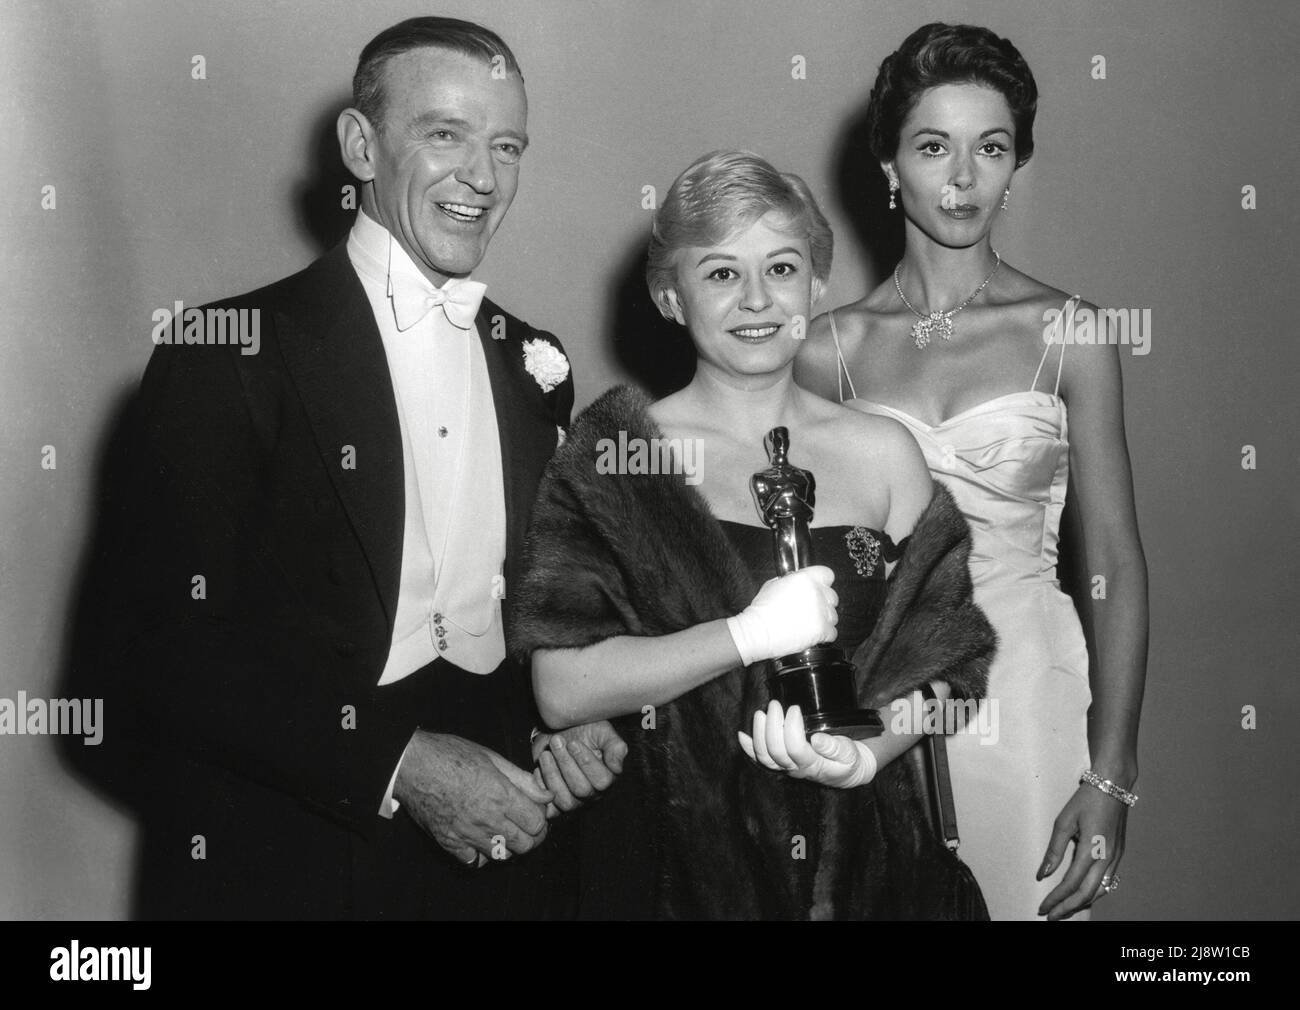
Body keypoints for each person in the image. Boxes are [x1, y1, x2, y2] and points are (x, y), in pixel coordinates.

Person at [74, 16, 624, 920]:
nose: (483, 178)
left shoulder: (535, 362)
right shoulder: (228, 352)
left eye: (507, 146)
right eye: (445, 134)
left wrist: (570, 719)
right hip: (295, 862)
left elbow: (530, 613)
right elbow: (156, 648)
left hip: (507, 864)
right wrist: (398, 764)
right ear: (360, 146)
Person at [510, 150, 997, 920]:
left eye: (779, 267)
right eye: (720, 273)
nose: (756, 299)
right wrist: (743, 636)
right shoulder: (615, 455)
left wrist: (866, 755)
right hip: (677, 872)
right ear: (671, 297)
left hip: (868, 870)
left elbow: (955, 667)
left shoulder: (885, 454)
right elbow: (563, 689)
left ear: (816, 284)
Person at [796, 22, 1149, 920]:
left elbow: (1113, 560)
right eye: (932, 147)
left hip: (1030, 700)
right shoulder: (825, 350)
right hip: (882, 714)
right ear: (888, 165)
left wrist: (1112, 775)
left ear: (1015, 162)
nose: (962, 178)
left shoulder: (1073, 332)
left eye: (990, 148)